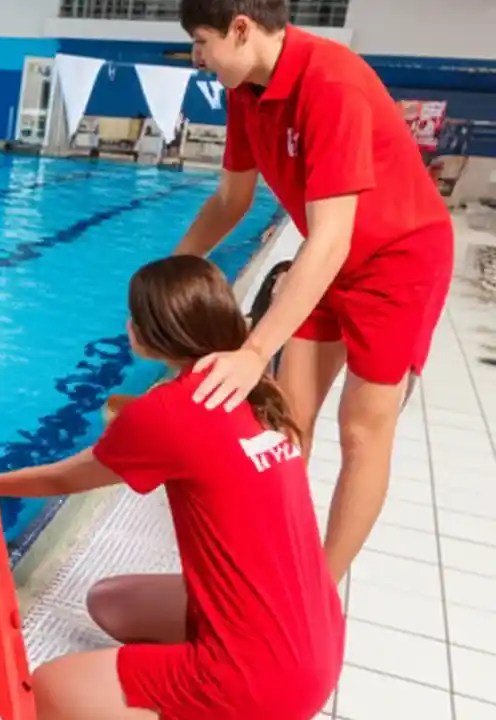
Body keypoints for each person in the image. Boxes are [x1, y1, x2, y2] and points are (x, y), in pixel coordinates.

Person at [172, 0, 454, 582]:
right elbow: (232, 200)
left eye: (201, 41)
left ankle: (321, 589)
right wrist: (171, 267)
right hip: (329, 255)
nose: (197, 57)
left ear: (241, 28)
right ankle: (276, 560)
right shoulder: (245, 91)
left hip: (399, 262)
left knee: (361, 429)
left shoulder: (331, 81)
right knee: (286, 421)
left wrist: (254, 352)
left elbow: (330, 238)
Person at [0, 256, 343, 719]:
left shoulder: (167, 412)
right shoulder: (257, 390)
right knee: (109, 603)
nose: (127, 324)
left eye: (134, 315)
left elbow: (63, 477)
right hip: (318, 641)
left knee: (48, 689)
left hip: (262, 679)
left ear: (150, 331)